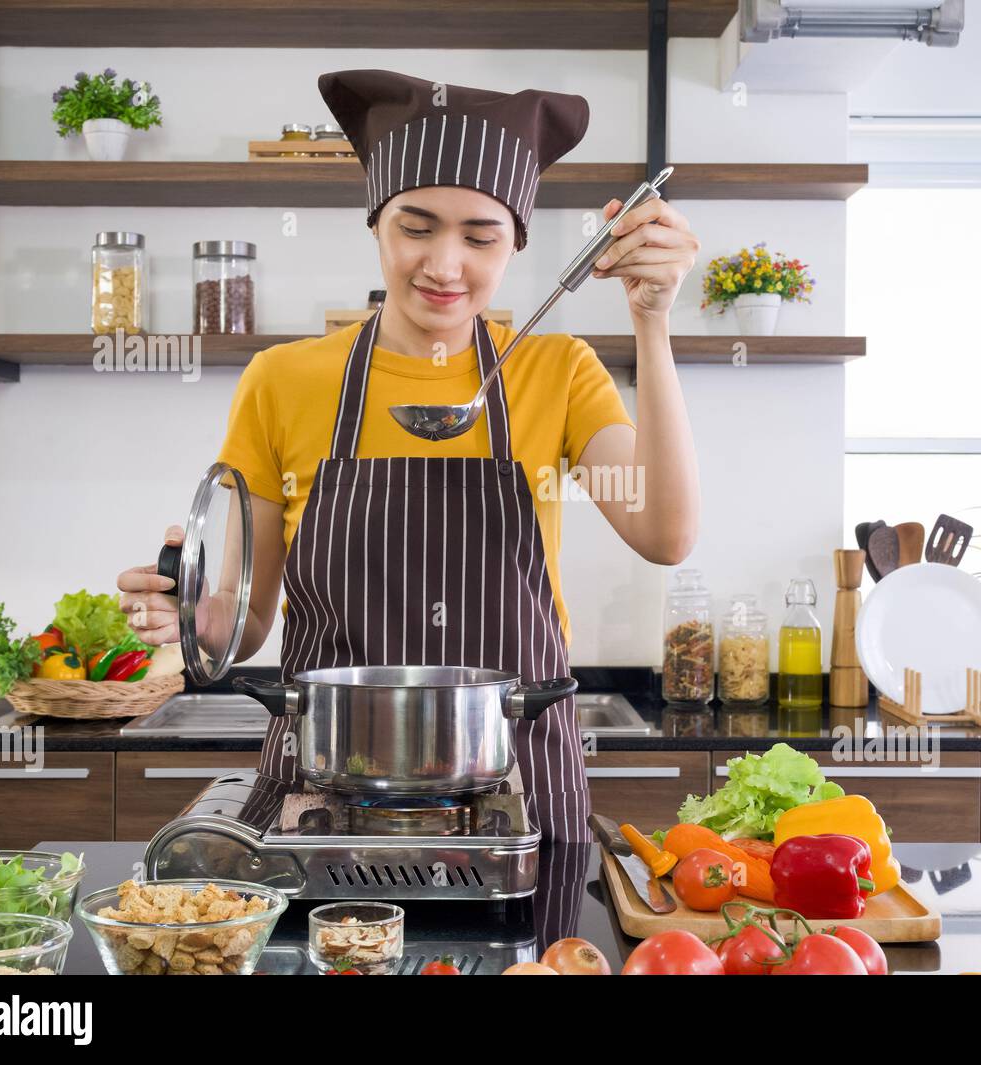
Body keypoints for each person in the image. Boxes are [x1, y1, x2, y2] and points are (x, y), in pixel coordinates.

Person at [117, 69, 701, 842]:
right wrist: (190, 610)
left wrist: (652, 323)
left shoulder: (555, 370)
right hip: (327, 788)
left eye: (480, 236)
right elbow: (250, 618)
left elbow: (665, 532)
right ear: (375, 225)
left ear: (517, 242)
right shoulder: (283, 379)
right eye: (416, 227)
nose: (445, 265)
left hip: (511, 786)